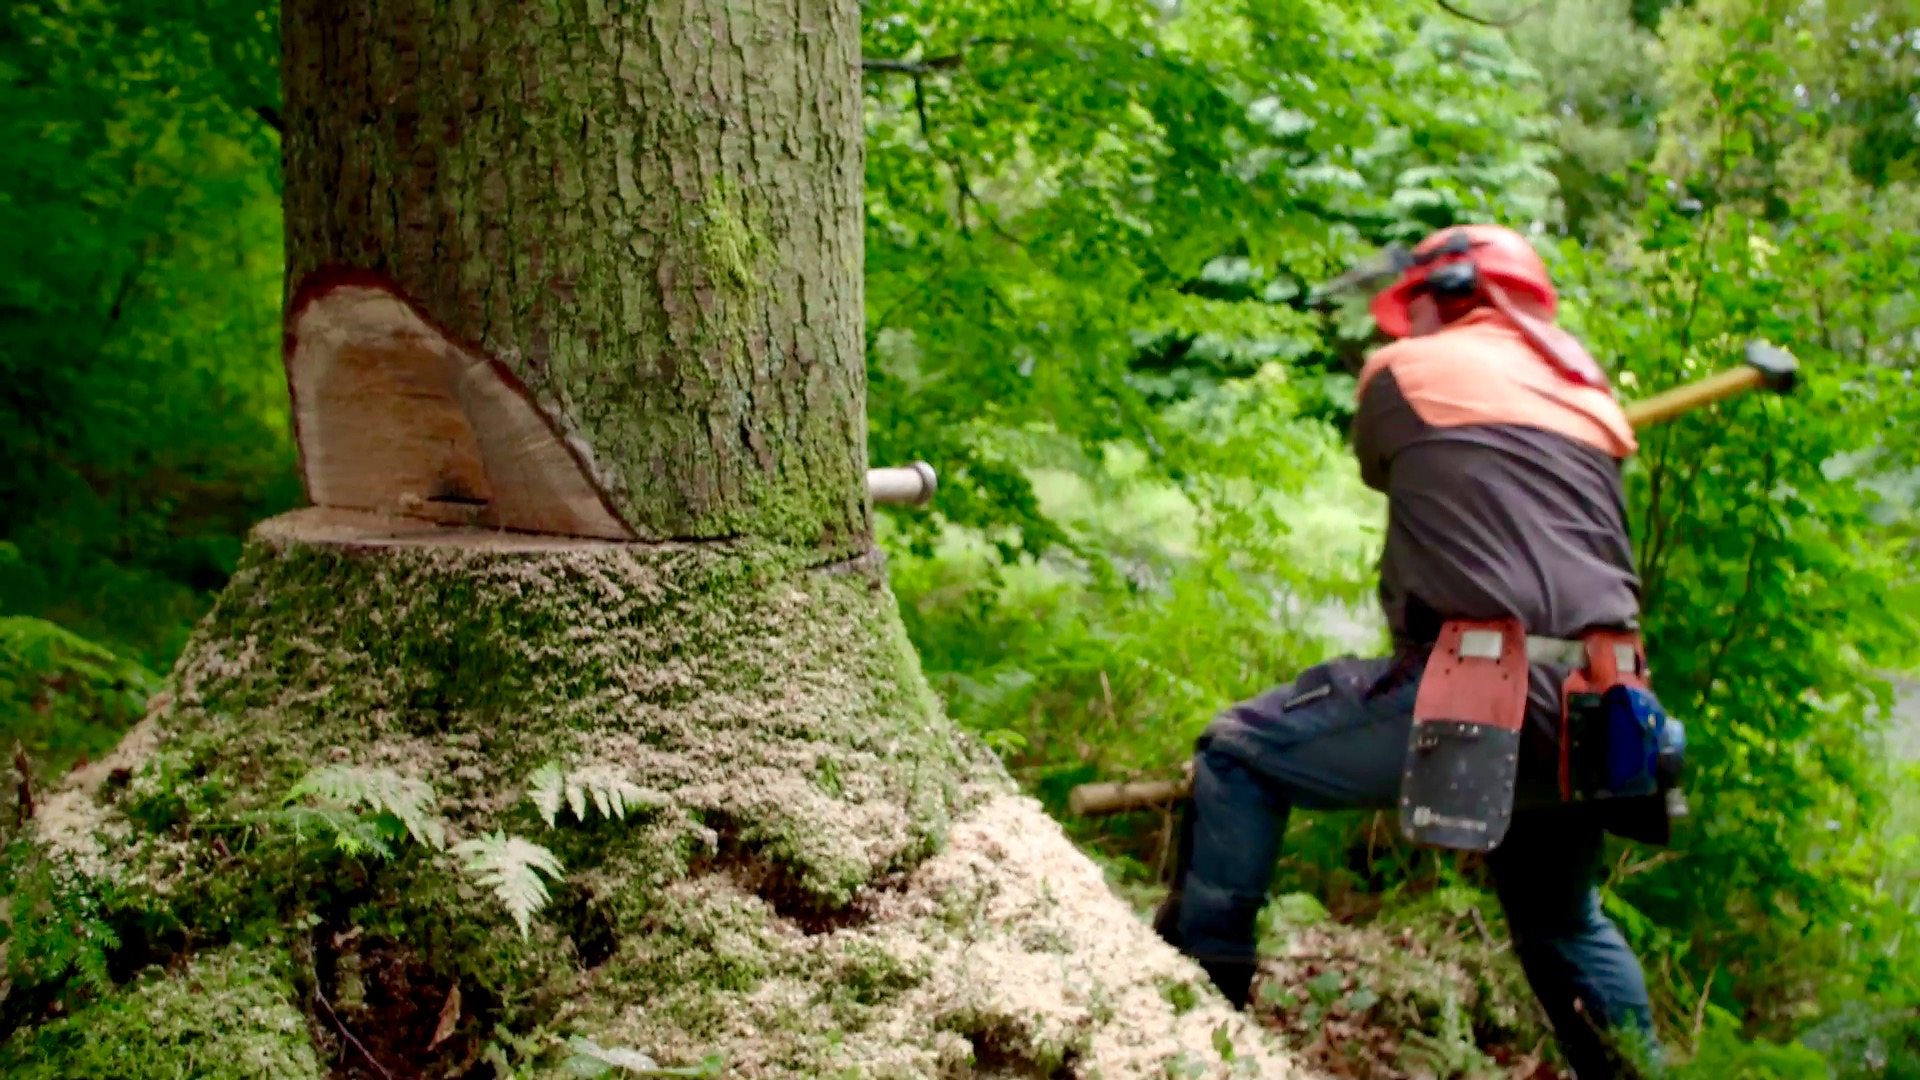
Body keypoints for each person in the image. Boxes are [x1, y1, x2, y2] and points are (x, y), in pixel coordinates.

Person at [1153, 224, 1675, 1078]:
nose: (1408, 323)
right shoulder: (1590, 398)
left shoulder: (1403, 375)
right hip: (1602, 703)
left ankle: (1196, 1017)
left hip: (1483, 684)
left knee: (1240, 753)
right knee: (1564, 921)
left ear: (1448, 296)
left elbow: (1381, 462)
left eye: (1418, 306)